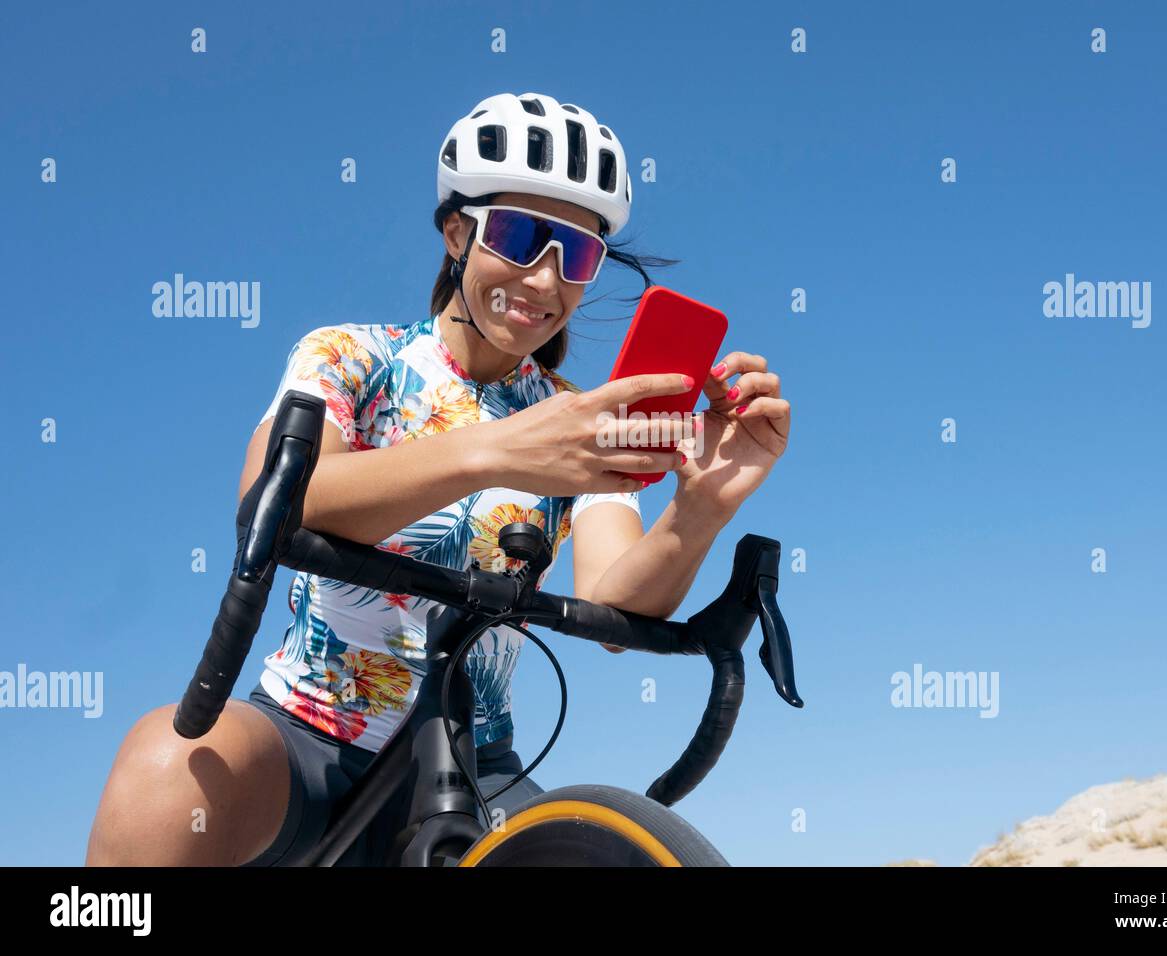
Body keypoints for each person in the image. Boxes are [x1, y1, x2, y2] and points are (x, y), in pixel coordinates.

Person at [85, 91, 790, 866]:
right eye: (521, 236)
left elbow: (614, 605)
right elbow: (272, 501)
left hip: (475, 763)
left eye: (578, 255)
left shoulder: (570, 415)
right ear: (457, 232)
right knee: (164, 771)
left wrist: (703, 504)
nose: (546, 281)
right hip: (307, 737)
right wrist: (495, 451)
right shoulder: (354, 357)